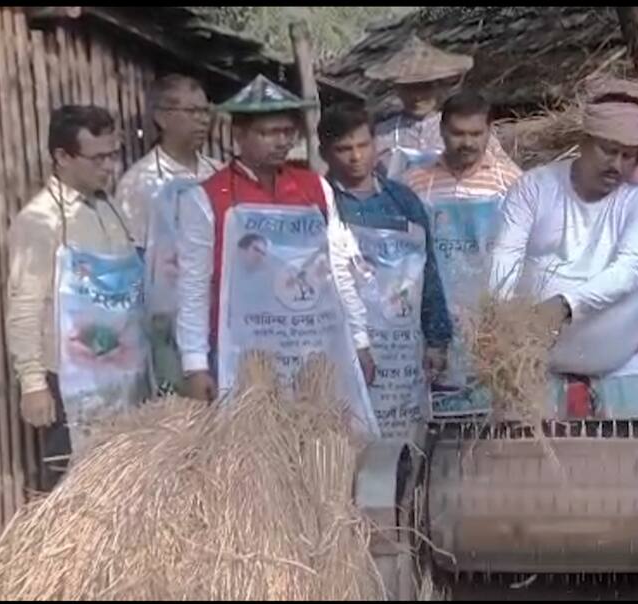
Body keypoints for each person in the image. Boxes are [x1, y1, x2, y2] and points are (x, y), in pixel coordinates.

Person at [174, 75, 373, 406]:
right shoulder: (206, 197)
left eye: (287, 132)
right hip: (243, 353)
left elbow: (339, 267)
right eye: (268, 132)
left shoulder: (315, 189)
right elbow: (193, 287)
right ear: (239, 135)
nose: (281, 141)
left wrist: (359, 339)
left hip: (312, 346)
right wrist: (194, 365)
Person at [488, 89, 638, 419]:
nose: (616, 165)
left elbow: (629, 270)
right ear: (584, 141)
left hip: (620, 364)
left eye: (629, 156)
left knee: (622, 465)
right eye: (609, 150)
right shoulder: (535, 187)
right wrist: (504, 319)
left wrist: (564, 306)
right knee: (528, 465)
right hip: (534, 366)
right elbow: (506, 253)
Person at [7, 105, 140, 489]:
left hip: (120, 374)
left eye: (113, 154)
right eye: (97, 158)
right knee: (69, 488)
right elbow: (24, 305)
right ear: (62, 157)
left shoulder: (111, 209)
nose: (109, 167)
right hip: (68, 380)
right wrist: (33, 383)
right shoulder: (39, 221)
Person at [318, 101, 453, 440]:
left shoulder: (404, 201)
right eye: (343, 149)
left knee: (404, 444)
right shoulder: (320, 204)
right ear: (324, 152)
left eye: (363, 145)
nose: (355, 157)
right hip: (344, 349)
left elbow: (429, 271)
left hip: (402, 348)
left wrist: (437, 339)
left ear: (375, 145)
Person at [402, 90, 522, 416]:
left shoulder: (511, 183)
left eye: (476, 134)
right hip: (431, 317)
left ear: (489, 132)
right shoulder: (414, 182)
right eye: (458, 133)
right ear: (441, 131)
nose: (467, 142)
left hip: (488, 318)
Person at [115, 74, 222, 397]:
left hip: (219, 313)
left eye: (205, 111)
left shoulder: (218, 174)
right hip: (167, 325)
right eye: (191, 111)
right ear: (161, 117)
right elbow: (132, 262)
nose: (202, 120)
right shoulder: (139, 184)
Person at [365, 35, 514, 179]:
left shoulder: (464, 128)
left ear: (439, 87)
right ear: (396, 88)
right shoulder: (382, 135)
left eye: (425, 87)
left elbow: (508, 174)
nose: (417, 96)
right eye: (409, 88)